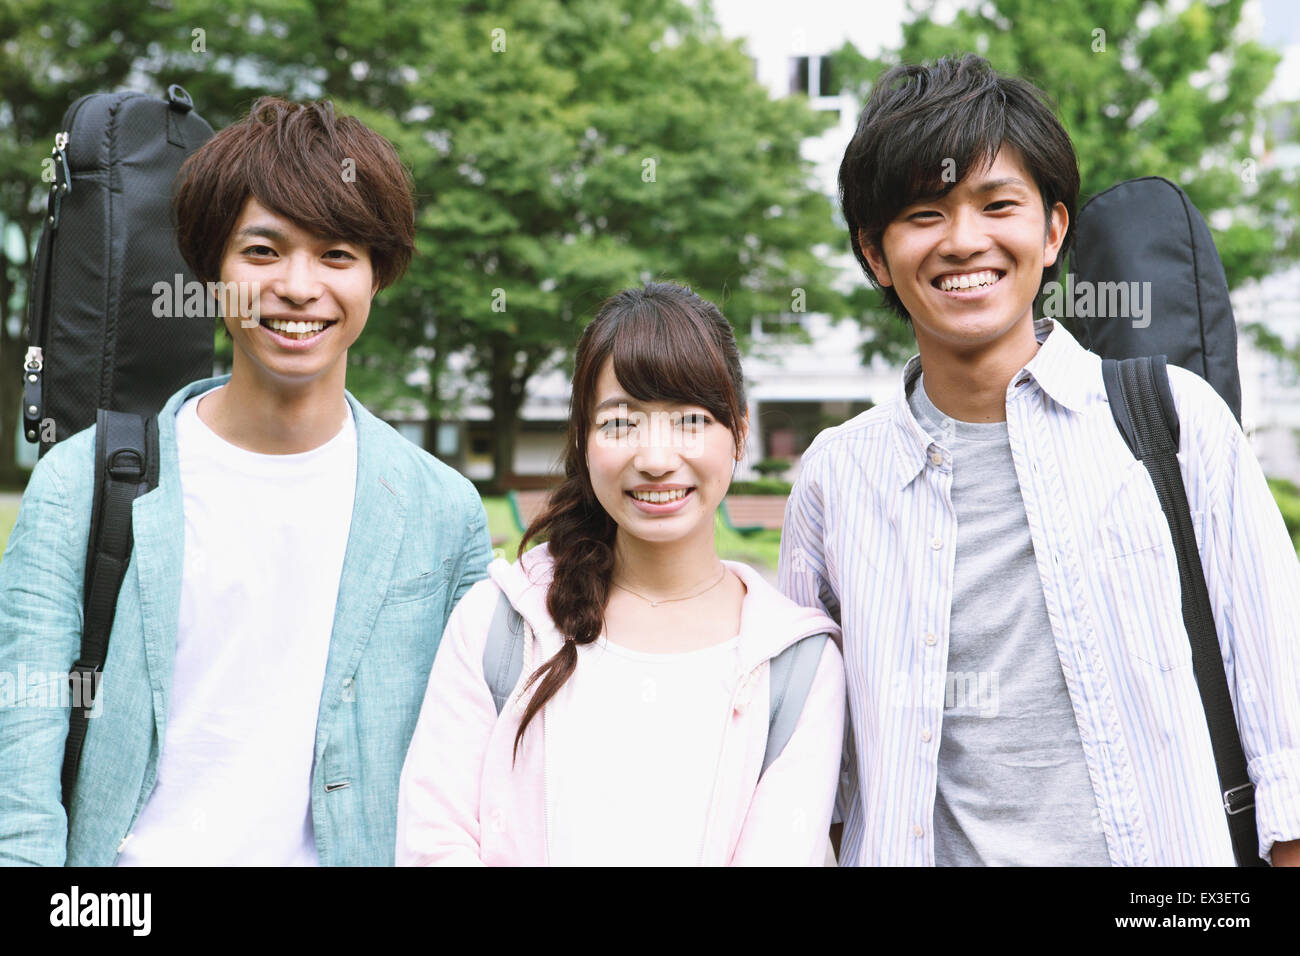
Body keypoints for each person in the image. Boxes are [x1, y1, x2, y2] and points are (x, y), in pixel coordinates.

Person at [779, 54, 1300, 866]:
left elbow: (1284, 712)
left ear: (1053, 230)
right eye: (924, 214)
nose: (964, 241)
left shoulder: (1174, 420)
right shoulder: (834, 478)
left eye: (998, 205)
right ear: (875, 255)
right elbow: (814, 760)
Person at [0, 97, 491, 866]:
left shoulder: (441, 510)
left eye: (337, 255)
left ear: (375, 277)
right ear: (210, 271)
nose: (298, 287)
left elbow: (468, 773)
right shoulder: (83, 482)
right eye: (262, 251)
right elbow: (18, 761)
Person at [396, 282, 845, 866]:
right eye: (620, 422)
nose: (656, 458)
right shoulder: (500, 621)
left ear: (738, 431)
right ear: (582, 437)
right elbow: (436, 839)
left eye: (690, 420)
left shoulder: (798, 664)